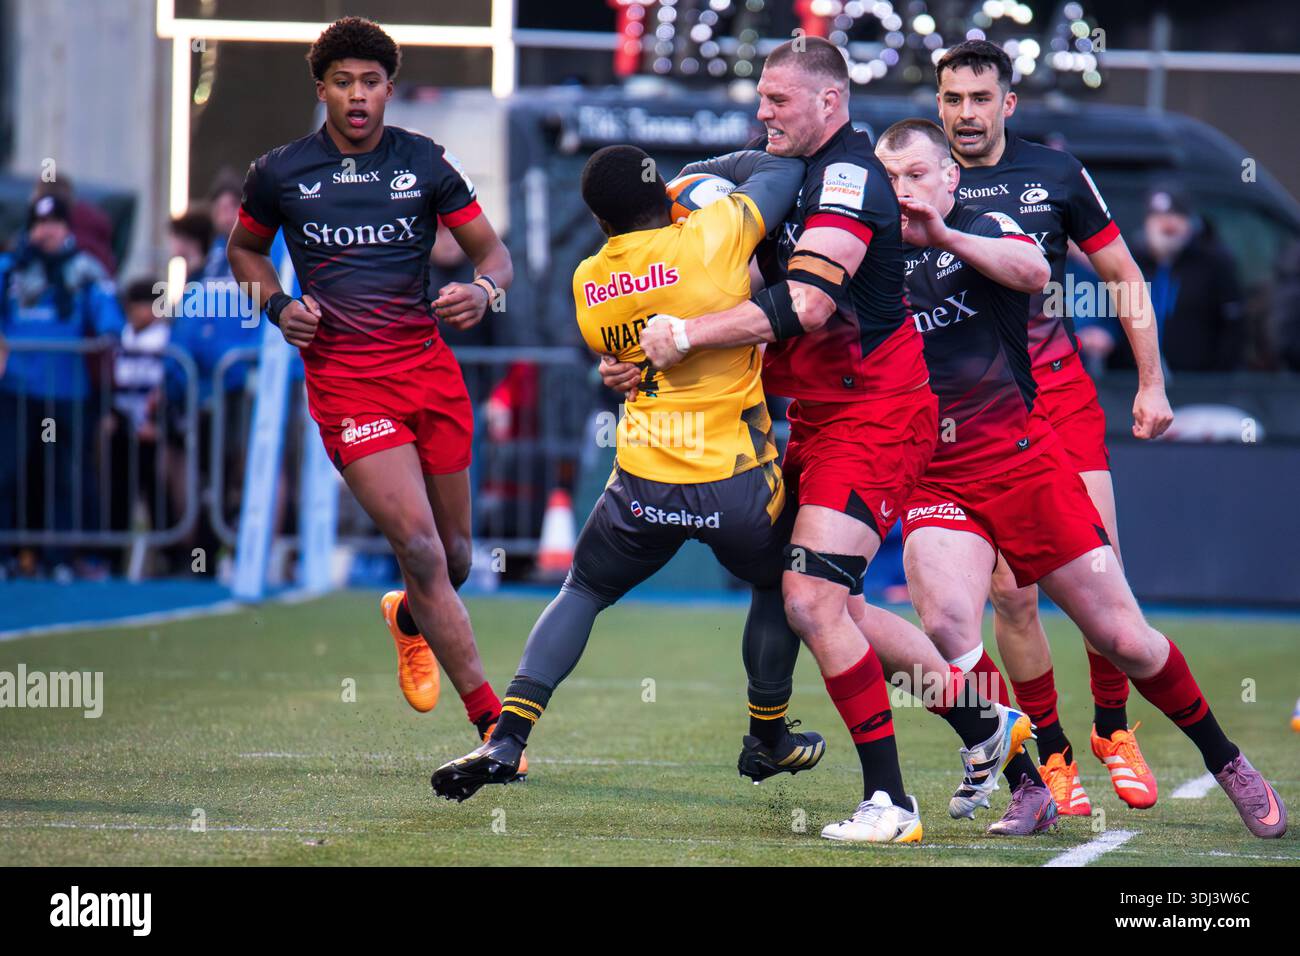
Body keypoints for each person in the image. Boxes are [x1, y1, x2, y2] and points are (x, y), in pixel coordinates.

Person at [635, 38, 1034, 843]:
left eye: (778, 100)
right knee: (839, 604)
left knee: (810, 598)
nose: (762, 112)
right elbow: (670, 185)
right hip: (820, 416)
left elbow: (809, 304)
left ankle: (891, 802)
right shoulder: (786, 167)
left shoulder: (848, 179)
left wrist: (686, 334)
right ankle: (983, 724)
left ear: (827, 102)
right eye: (762, 98)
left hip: (878, 414)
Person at [876, 118, 1285, 839]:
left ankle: (1225, 759)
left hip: (1021, 460)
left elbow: (1032, 272)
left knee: (1126, 638)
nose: (903, 191)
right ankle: (1029, 779)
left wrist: (941, 235)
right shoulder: (869, 258)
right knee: (944, 622)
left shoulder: (984, 220)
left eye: (916, 175)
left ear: (948, 179)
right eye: (890, 177)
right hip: (935, 474)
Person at [433, 144, 837, 803]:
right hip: (735, 478)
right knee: (775, 584)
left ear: (596, 218)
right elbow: (782, 171)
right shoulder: (711, 234)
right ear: (666, 198)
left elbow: (620, 358)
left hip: (642, 478)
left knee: (584, 589)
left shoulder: (588, 278)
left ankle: (506, 737)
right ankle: (767, 737)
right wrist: (700, 173)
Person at [226, 17, 516, 753]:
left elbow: (495, 255)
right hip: (349, 386)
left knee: (451, 559)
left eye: (370, 82)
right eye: (343, 82)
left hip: (432, 377)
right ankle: (494, 728)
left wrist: (482, 293)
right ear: (321, 88)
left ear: (388, 88)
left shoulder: (426, 162)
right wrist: (279, 306)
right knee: (419, 551)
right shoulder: (280, 172)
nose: (357, 96)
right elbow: (244, 251)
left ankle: (409, 620)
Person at [933, 39, 1174, 813]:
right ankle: (1054, 749)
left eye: (980, 98)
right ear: (939, 106)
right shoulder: (914, 184)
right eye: (952, 99)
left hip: (1058, 392)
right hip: (976, 415)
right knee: (1012, 594)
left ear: (1008, 103)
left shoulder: (1057, 175)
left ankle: (1112, 726)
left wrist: (1150, 382)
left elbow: (1124, 276)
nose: (965, 114)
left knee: (1102, 567)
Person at [0, 194, 124, 575]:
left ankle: (58, 559)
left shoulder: (84, 269)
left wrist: (107, 333)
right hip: (18, 389)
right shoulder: (11, 269)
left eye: (53, 223)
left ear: (66, 227)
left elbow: (108, 313)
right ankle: (8, 554)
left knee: (63, 476)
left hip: (66, 392)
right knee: (8, 471)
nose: (45, 232)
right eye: (39, 224)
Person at [1101, 189, 1244, 373]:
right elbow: (1106, 316)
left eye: (1177, 215)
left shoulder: (1213, 264)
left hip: (1196, 384)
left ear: (1191, 222)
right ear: (1147, 223)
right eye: (1158, 217)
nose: (1168, 224)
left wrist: (1218, 376)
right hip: (1132, 381)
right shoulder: (1128, 262)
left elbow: (1233, 327)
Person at [101, 279, 170, 535]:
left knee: (155, 488)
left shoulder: (164, 339)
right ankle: (114, 551)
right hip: (123, 419)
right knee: (119, 486)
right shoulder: (125, 335)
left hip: (150, 422)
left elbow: (166, 384)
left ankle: (168, 551)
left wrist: (155, 420)